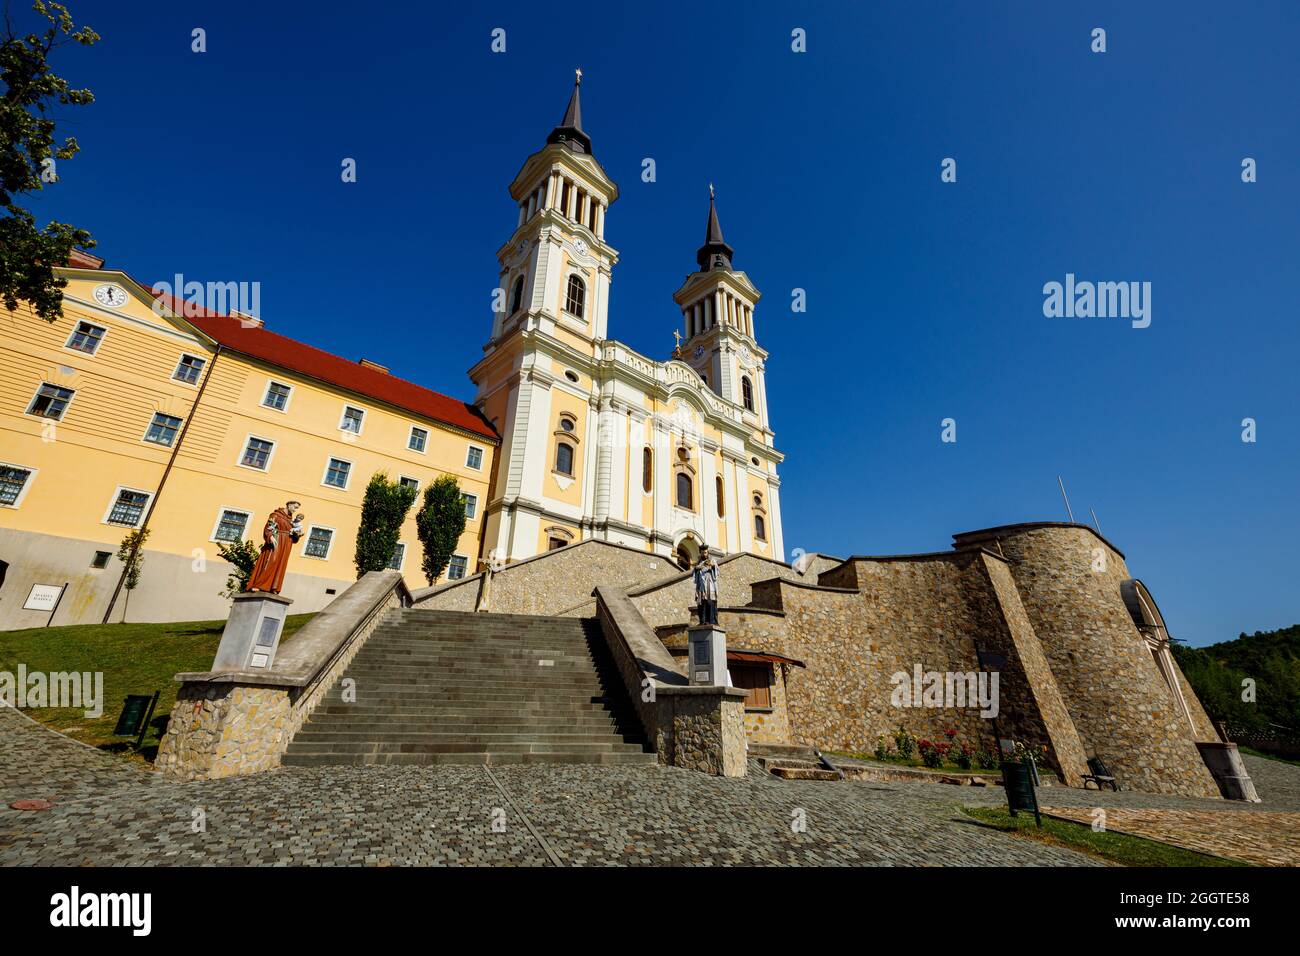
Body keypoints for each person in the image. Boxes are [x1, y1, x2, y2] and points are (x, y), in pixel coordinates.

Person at [246, 500, 304, 594]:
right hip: (276, 541)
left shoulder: (291, 520)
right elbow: (268, 527)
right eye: (295, 507)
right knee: (270, 562)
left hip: (286, 544)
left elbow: (293, 536)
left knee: (280, 564)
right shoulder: (276, 515)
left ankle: (274, 587)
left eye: (297, 508)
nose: (295, 510)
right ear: (289, 505)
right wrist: (270, 536)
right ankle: (259, 585)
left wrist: (297, 535)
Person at [693, 553, 719, 625]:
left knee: (710, 602)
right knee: (701, 604)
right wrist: (696, 569)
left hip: (709, 584)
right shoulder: (699, 563)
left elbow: (716, 571)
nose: (704, 554)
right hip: (701, 586)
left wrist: (712, 566)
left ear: (707, 553)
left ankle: (711, 621)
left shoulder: (712, 560)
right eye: (703, 553)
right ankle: (702, 621)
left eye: (705, 552)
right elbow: (695, 575)